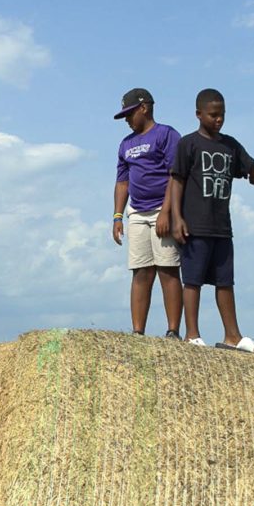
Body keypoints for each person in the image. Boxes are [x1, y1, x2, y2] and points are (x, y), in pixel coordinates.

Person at [168, 88, 254, 350]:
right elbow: (176, 181)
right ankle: (192, 334)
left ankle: (233, 336)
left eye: (222, 115)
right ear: (199, 114)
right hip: (194, 227)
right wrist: (176, 217)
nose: (219, 120)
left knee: (225, 282)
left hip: (222, 228)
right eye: (213, 115)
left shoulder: (230, 145)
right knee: (193, 281)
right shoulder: (188, 144)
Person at [111, 88, 183, 338]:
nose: (127, 120)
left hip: (163, 209)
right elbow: (122, 182)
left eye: (130, 114)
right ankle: (138, 332)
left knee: (167, 268)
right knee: (140, 271)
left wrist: (166, 211)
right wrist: (117, 216)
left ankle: (172, 331)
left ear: (144, 108)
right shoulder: (126, 144)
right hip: (137, 213)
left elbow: (175, 174)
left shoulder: (166, 134)